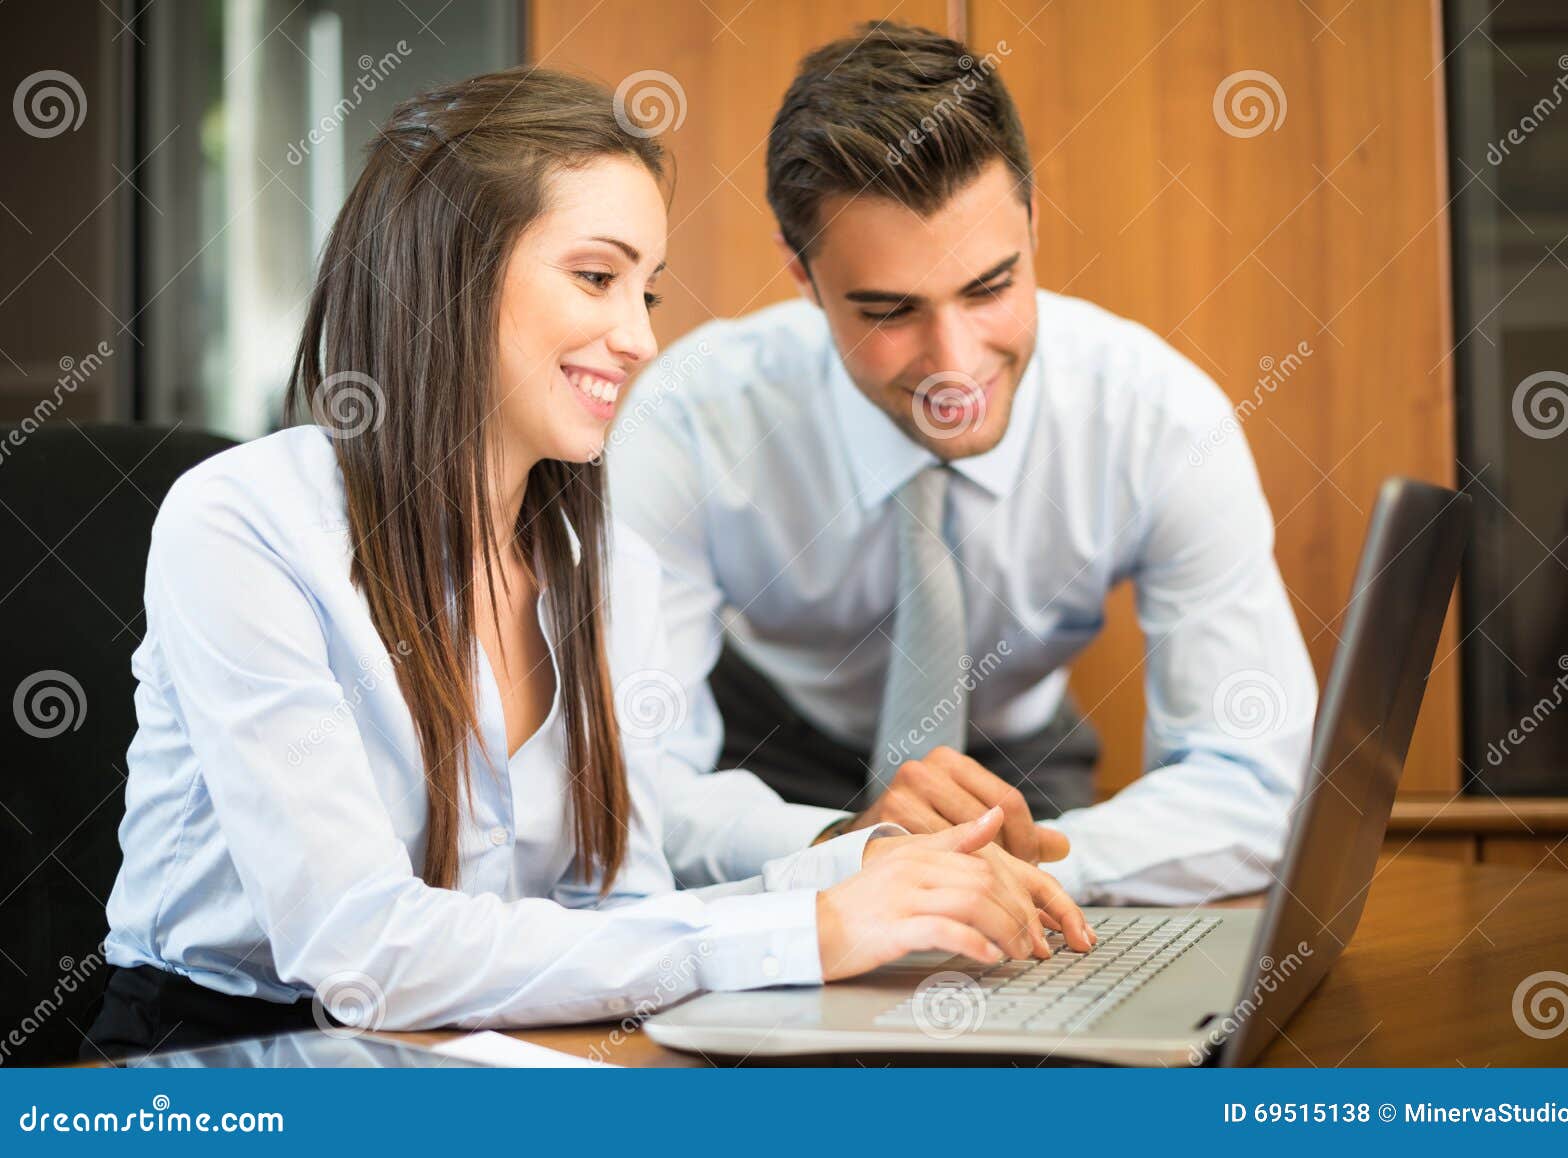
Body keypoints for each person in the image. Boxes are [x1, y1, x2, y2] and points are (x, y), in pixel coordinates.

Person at [85, 67, 1093, 1061]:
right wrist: (812, 927)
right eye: (596, 278)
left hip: (481, 1041)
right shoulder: (244, 522)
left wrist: (861, 875)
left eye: (646, 290)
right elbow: (360, 950)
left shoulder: (602, 564)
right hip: (215, 1053)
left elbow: (624, 919)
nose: (641, 337)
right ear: (452, 269)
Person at [611, 22, 1320, 907]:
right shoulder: (690, 419)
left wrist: (1032, 862)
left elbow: (1258, 779)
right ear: (801, 274)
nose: (954, 365)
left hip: (1020, 775)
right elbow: (626, 784)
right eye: (889, 310)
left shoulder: (1161, 419)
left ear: (1032, 225)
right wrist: (841, 847)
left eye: (989, 288)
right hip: (766, 762)